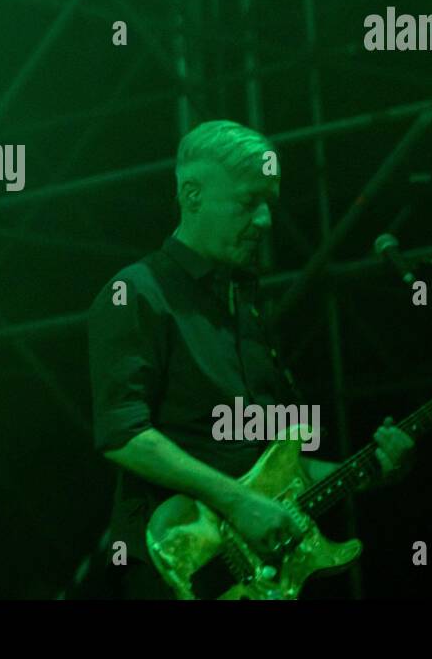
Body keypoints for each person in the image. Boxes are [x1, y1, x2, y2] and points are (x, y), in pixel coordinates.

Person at [86, 119, 414, 598]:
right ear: (193, 195)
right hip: (177, 573)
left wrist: (373, 469)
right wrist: (238, 503)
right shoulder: (135, 292)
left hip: (252, 578)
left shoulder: (245, 307)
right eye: (248, 201)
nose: (264, 220)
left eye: (269, 203)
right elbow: (123, 434)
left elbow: (272, 467)